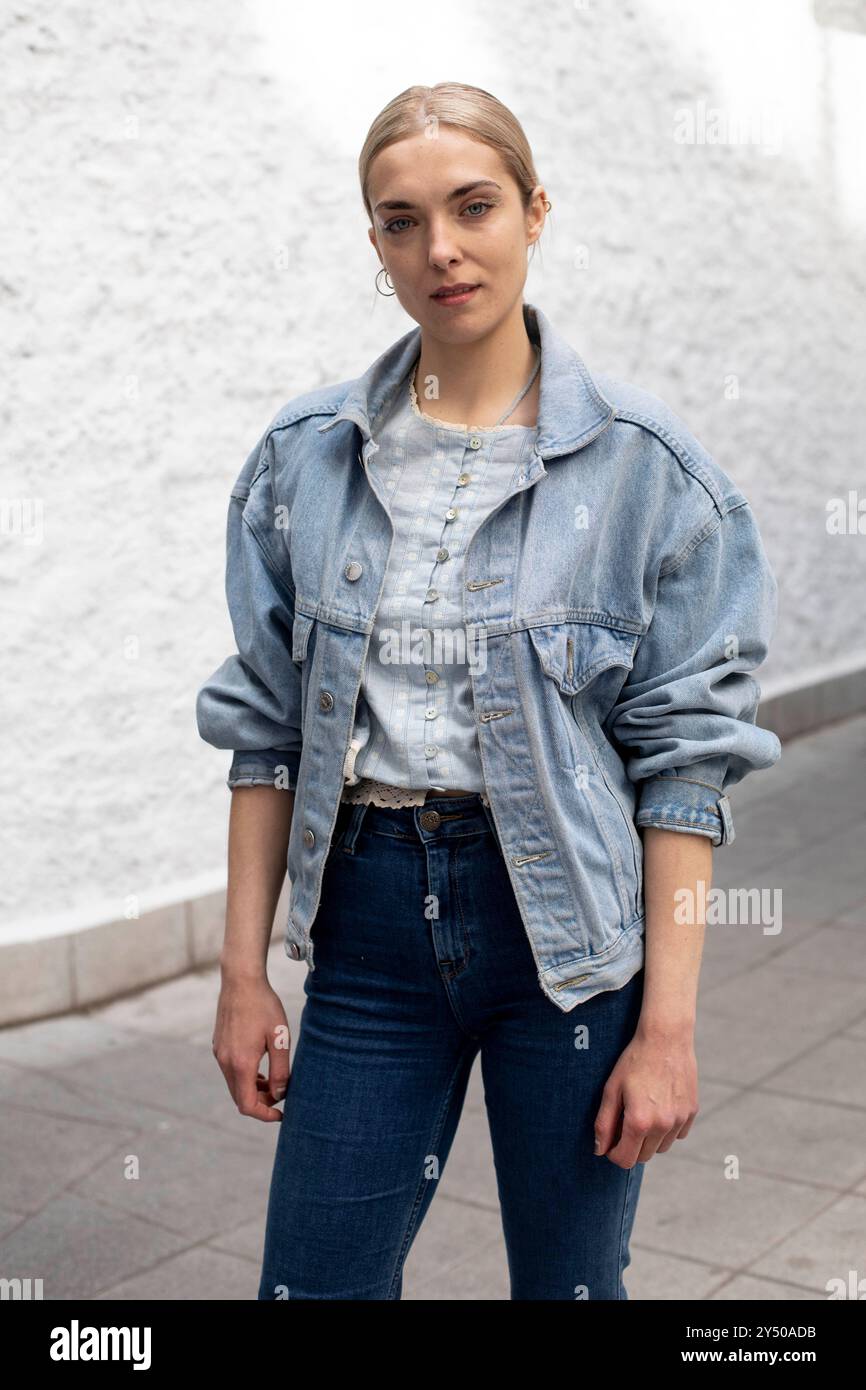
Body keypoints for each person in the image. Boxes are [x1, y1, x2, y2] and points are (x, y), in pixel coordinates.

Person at [196, 82, 782, 1300]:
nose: (440, 250)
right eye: (400, 221)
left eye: (473, 207)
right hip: (364, 926)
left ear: (534, 211)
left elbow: (684, 767)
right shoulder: (304, 459)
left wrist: (667, 1030)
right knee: (312, 1283)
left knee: (569, 1287)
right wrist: (243, 973)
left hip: (563, 936)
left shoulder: (647, 473)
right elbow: (265, 732)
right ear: (374, 242)